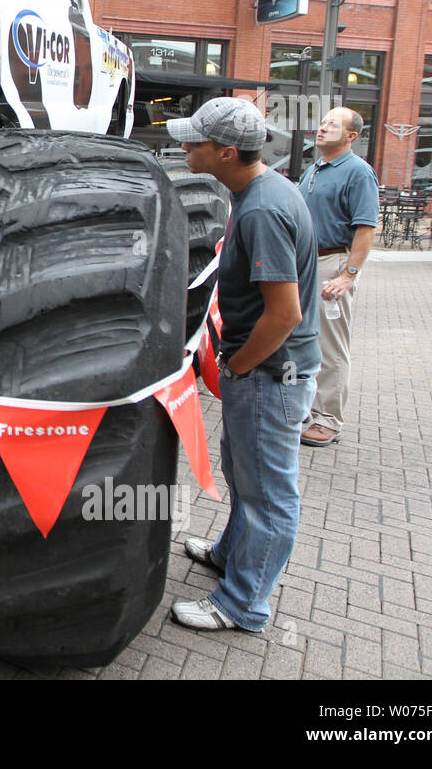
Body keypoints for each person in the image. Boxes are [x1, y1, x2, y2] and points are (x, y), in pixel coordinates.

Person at [165, 97, 321, 633]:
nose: (184, 146)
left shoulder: (262, 209)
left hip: (270, 375)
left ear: (226, 152)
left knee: (269, 497)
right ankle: (231, 555)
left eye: (195, 141)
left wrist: (237, 368)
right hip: (266, 372)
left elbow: (283, 314)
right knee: (245, 476)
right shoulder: (263, 190)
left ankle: (243, 604)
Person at [297, 107, 379, 447]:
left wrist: (348, 275)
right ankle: (307, 410)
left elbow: (366, 228)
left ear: (351, 136)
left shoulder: (358, 173)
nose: (323, 127)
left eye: (333, 124)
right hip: (307, 264)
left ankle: (328, 420)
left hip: (333, 263)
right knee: (304, 340)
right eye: (323, 122)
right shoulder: (314, 169)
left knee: (330, 345)